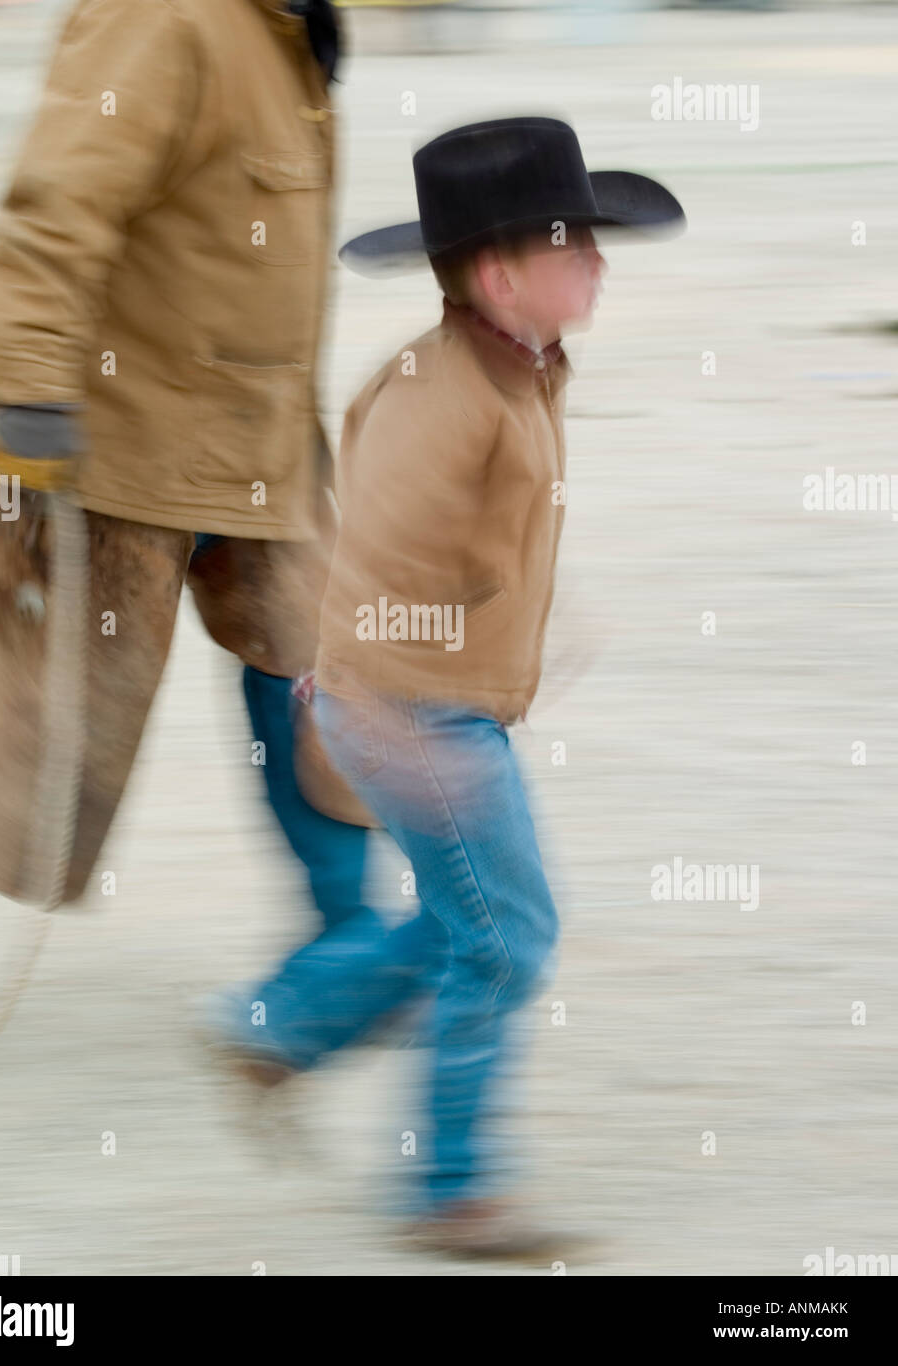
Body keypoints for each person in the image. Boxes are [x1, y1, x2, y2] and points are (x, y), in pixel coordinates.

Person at [200, 116, 686, 1255]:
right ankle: (446, 1189)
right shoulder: (441, 396)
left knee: (469, 923)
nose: (600, 261)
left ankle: (273, 1024)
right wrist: (429, 644)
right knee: (509, 940)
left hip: (430, 699)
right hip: (412, 710)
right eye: (578, 244)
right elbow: (375, 560)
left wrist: (508, 610)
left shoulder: (513, 363)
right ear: (500, 271)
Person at [0, 0, 364, 970]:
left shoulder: (280, 16)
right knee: (26, 732)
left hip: (263, 450)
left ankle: (352, 943)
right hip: (120, 460)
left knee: (315, 684)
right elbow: (53, 214)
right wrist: (31, 397)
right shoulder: (157, 13)